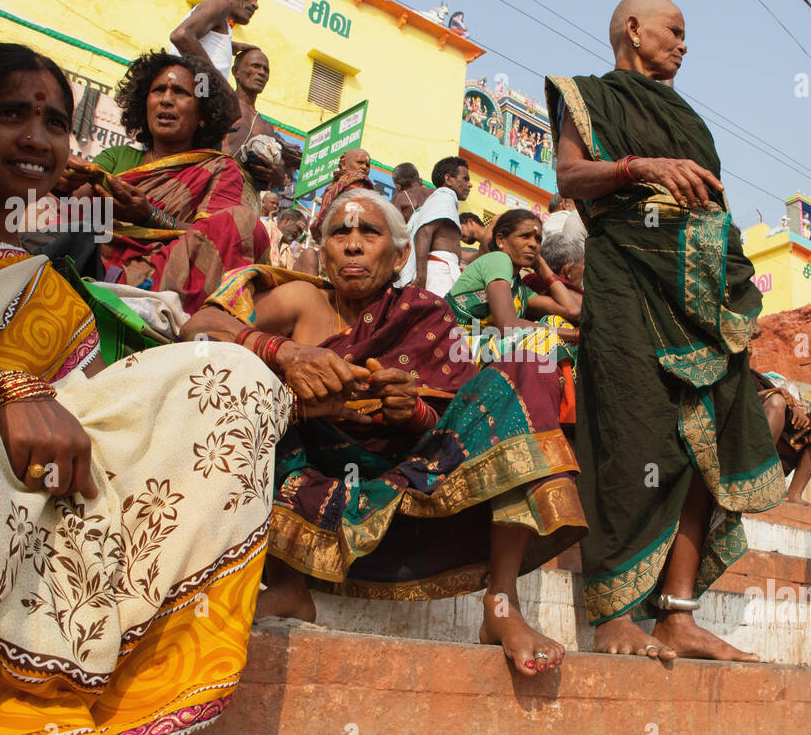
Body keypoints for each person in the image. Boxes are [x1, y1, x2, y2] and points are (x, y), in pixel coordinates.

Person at [0, 42, 291, 735]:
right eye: (10, 114)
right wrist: (6, 388)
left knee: (229, 377)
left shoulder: (52, 293)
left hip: (15, 484)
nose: (37, 137)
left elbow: (85, 424)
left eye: (55, 123)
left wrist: (36, 398)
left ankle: (121, 713)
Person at [183, 189, 587, 675]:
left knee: (529, 363)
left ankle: (501, 605)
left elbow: (449, 425)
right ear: (322, 245)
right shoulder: (301, 299)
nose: (352, 245)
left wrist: (411, 412)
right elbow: (199, 328)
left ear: (399, 256)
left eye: (368, 232)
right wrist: (285, 355)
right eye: (340, 232)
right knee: (233, 378)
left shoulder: (427, 314)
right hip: (307, 482)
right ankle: (288, 585)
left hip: (413, 488)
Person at [547, 0, 784, 661]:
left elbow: (711, 198)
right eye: (675, 31)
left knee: (705, 446)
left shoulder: (690, 118)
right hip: (627, 279)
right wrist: (640, 168)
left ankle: (678, 614)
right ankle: (616, 612)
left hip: (705, 291)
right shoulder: (588, 94)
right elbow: (569, 175)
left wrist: (731, 287)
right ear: (634, 29)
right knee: (633, 436)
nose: (683, 45)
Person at [54, 50, 269, 313]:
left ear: (203, 113)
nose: (166, 100)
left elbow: (216, 236)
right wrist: (63, 182)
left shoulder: (219, 167)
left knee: (245, 222)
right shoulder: (117, 156)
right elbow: (76, 205)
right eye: (158, 91)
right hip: (95, 264)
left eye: (180, 92)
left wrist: (150, 216)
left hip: (170, 281)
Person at [447, 208, 580, 367]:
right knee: (541, 340)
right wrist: (573, 334)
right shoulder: (497, 259)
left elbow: (572, 310)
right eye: (525, 236)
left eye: (538, 239)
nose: (533, 244)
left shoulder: (519, 289)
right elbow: (507, 326)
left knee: (556, 322)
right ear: (500, 240)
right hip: (458, 348)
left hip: (485, 349)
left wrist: (541, 266)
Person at [752, 370, 811, 512]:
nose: (748, 346)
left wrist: (794, 408)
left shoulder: (754, 375)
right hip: (744, 440)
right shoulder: (724, 369)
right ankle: (755, 484)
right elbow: (731, 399)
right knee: (776, 402)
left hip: (774, 436)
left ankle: (793, 496)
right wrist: (774, 393)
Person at [169, 0, 260, 82]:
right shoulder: (220, 4)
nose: (255, 5)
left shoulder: (219, 21)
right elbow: (181, 35)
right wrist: (222, 87)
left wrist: (230, 46)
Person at [223, 48, 294, 190]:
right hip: (208, 184)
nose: (261, 72)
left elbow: (271, 178)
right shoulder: (221, 101)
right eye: (255, 66)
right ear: (236, 72)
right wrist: (226, 45)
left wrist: (278, 176)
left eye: (266, 70)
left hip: (240, 198)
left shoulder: (266, 126)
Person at [399, 155, 471, 293]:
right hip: (438, 273)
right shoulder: (444, 196)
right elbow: (424, 232)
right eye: (465, 179)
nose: (469, 184)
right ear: (448, 179)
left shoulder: (444, 198)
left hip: (444, 271)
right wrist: (421, 276)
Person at [308, 148, 374, 239]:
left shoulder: (333, 187)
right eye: (360, 162)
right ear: (343, 165)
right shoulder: (359, 181)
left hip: (329, 236)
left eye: (367, 165)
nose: (364, 167)